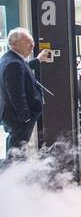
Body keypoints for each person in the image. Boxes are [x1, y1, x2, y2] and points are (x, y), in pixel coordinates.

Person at [1, 28, 52, 157]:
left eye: (32, 42)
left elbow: (23, 70)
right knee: (17, 153)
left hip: (12, 115)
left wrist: (38, 60)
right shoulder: (14, 64)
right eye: (27, 42)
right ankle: (13, 175)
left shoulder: (10, 59)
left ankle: (14, 174)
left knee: (16, 149)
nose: (32, 46)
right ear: (14, 44)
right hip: (19, 117)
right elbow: (17, 94)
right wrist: (26, 117)